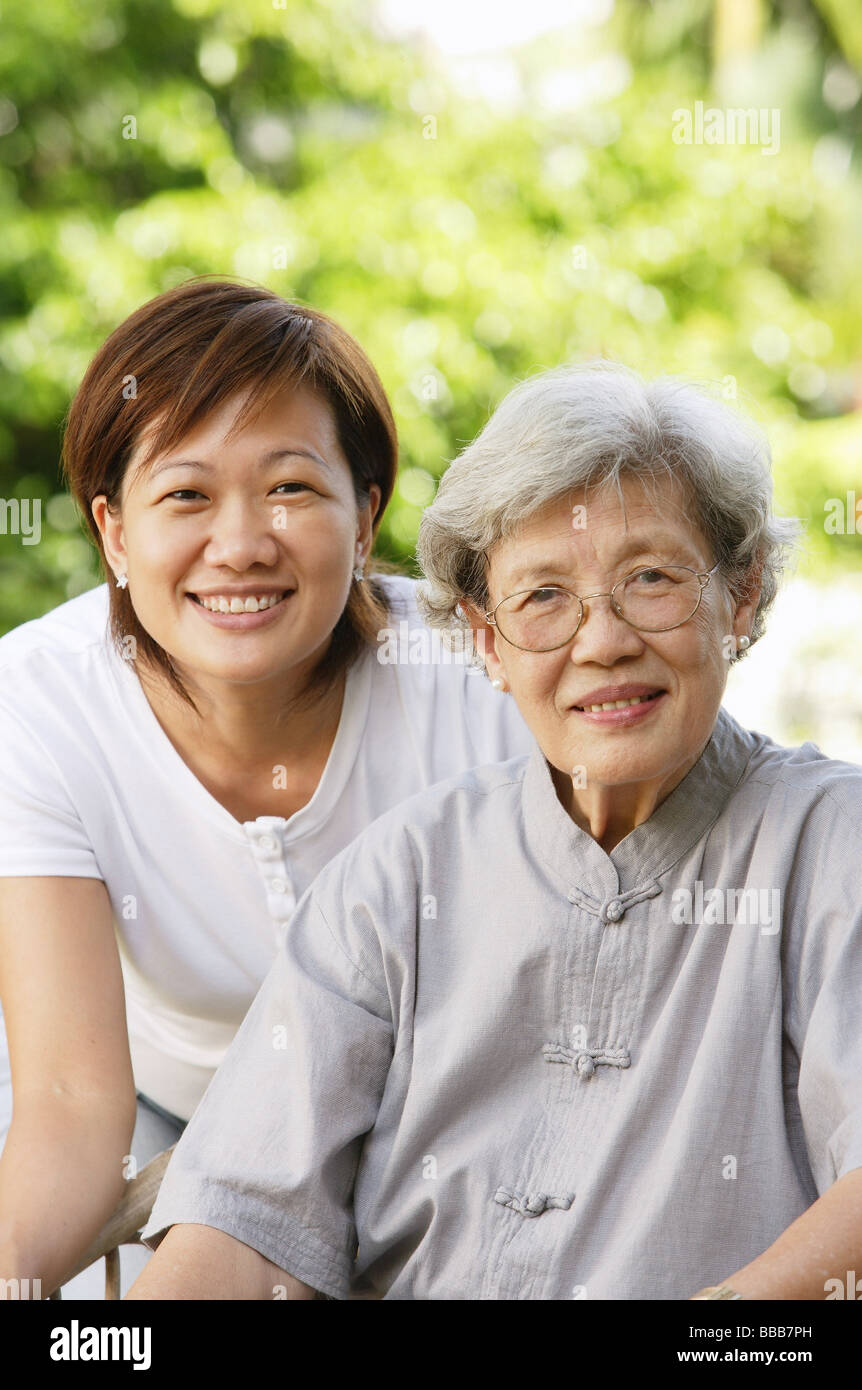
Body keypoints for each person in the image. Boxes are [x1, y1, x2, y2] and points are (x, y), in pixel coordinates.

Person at [130, 361, 862, 1301]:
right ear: (485, 640)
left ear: (744, 595)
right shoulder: (399, 875)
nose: (601, 641)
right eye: (543, 597)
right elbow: (241, 1222)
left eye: (651, 578)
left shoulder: (831, 845)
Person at [0, 278, 532, 1299]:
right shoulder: (39, 704)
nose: (239, 544)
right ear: (114, 534)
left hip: (430, 1126)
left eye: (290, 487)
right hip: (157, 1114)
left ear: (366, 513)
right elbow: (70, 1096)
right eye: (185, 495)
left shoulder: (478, 674)